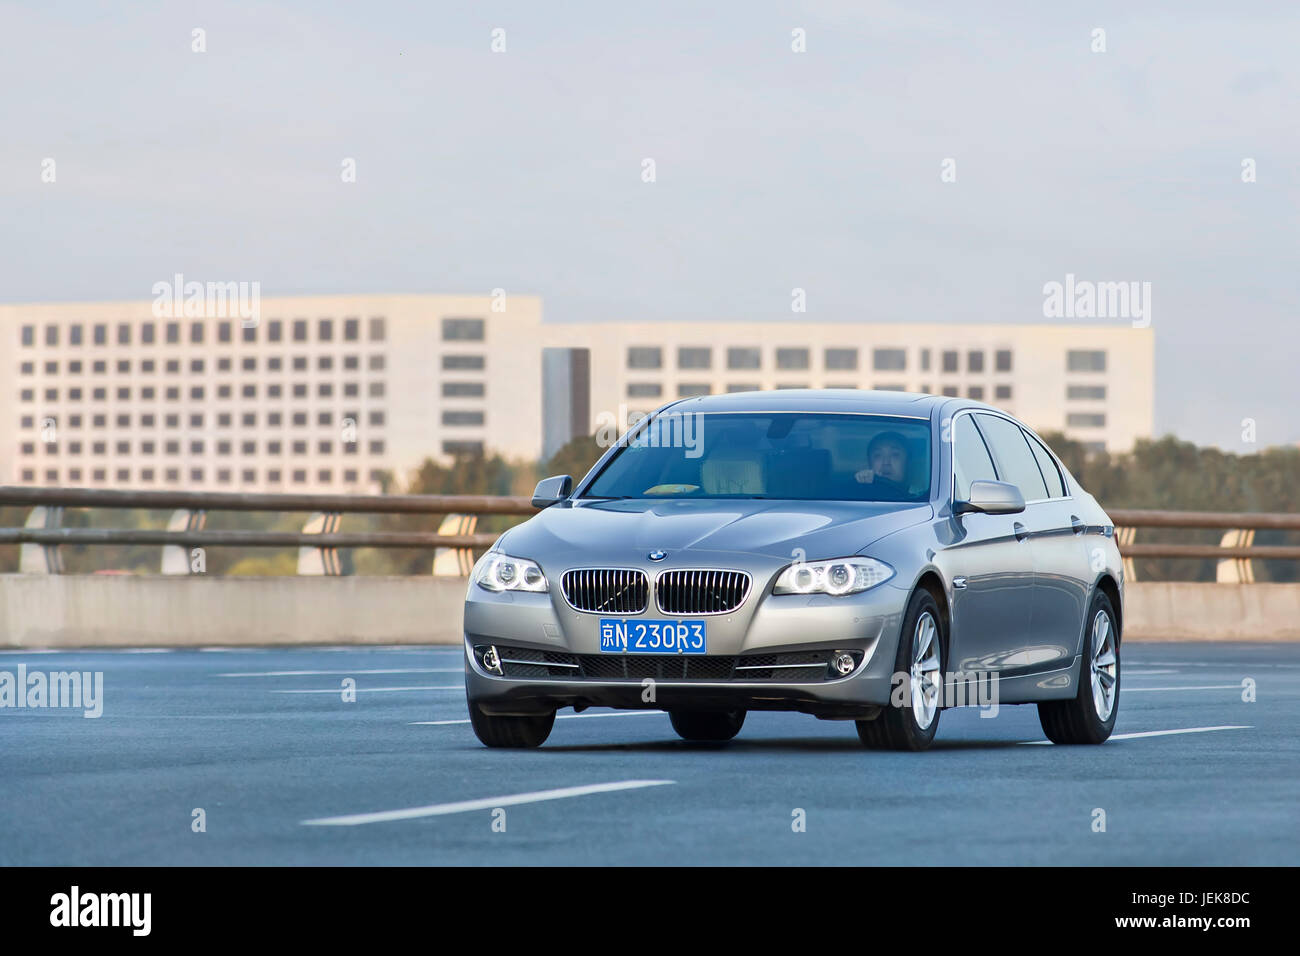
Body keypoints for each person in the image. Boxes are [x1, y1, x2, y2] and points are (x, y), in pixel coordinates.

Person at [853, 431, 915, 497]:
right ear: (869, 463)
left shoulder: (920, 497)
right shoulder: (857, 495)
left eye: (895, 454)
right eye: (878, 455)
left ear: (907, 463)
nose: (886, 463)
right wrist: (863, 486)